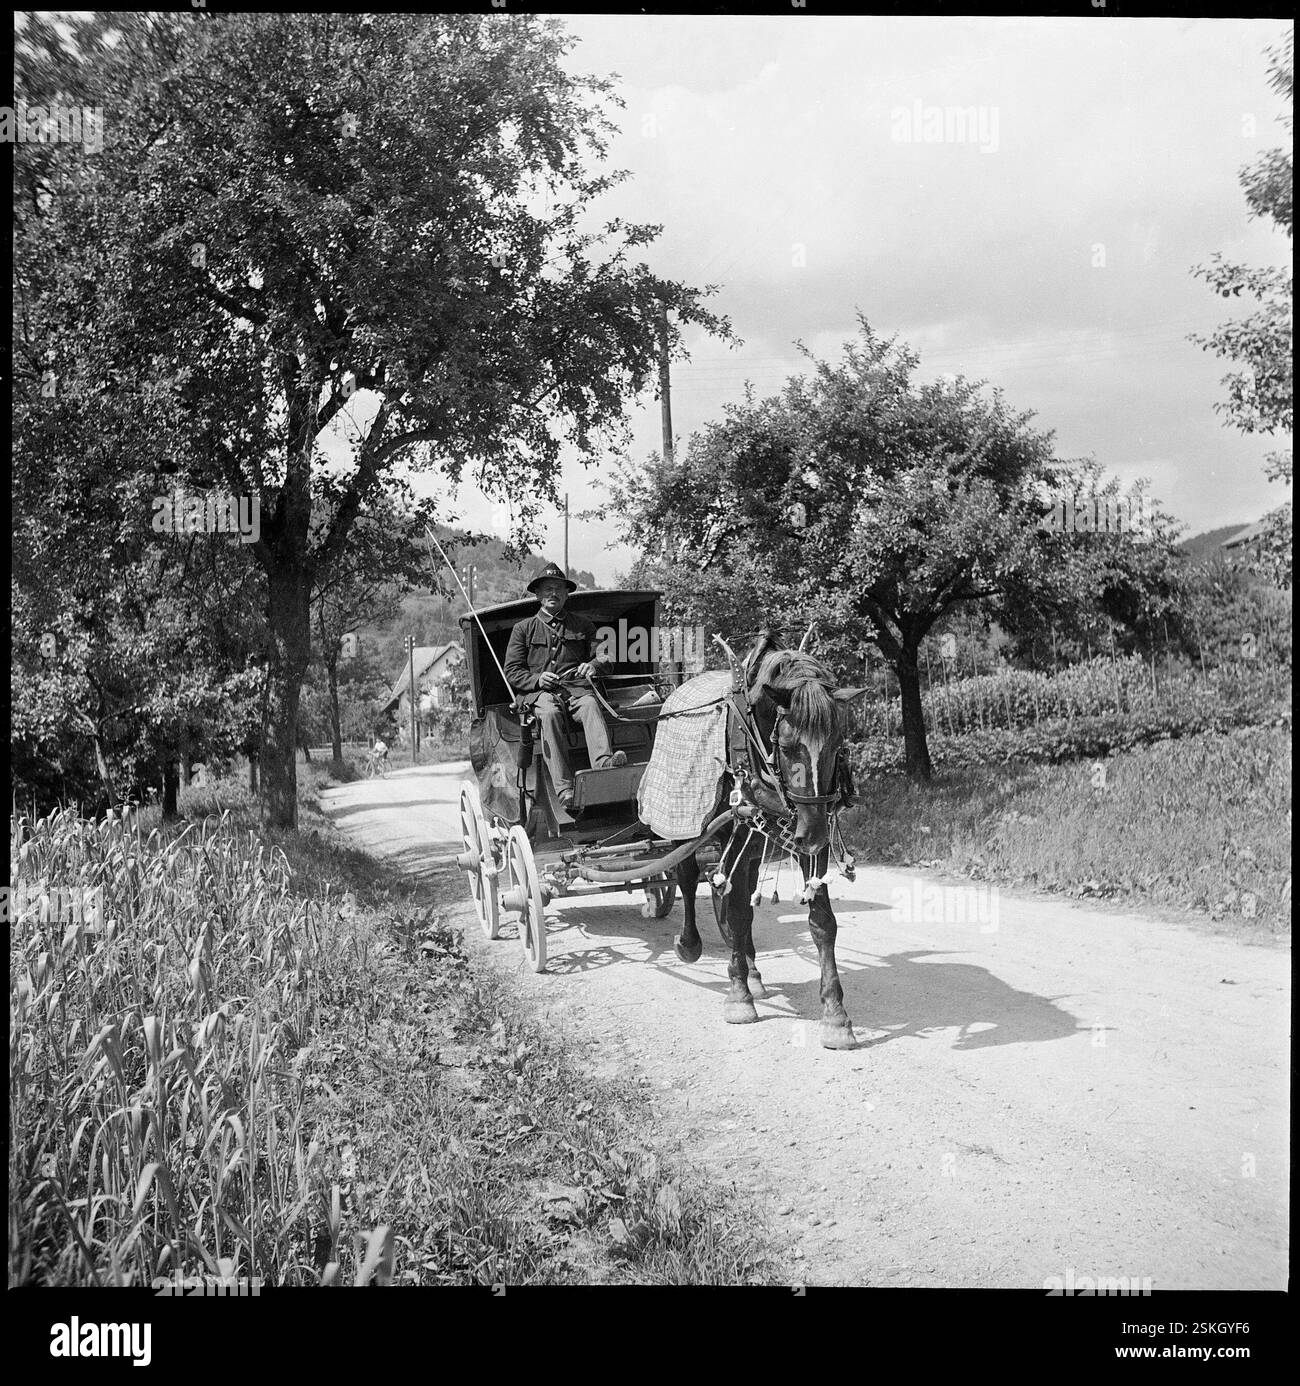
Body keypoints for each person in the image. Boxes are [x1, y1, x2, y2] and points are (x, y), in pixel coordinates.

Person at [504, 561, 626, 810]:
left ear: (567, 594)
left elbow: (605, 656)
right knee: (549, 714)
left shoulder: (583, 625)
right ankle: (564, 789)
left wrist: (593, 665)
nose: (553, 594)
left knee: (591, 704)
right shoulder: (522, 629)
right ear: (537, 595)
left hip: (577, 690)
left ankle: (604, 763)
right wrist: (538, 679)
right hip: (540, 695)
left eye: (559, 589)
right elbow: (512, 671)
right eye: (547, 589)